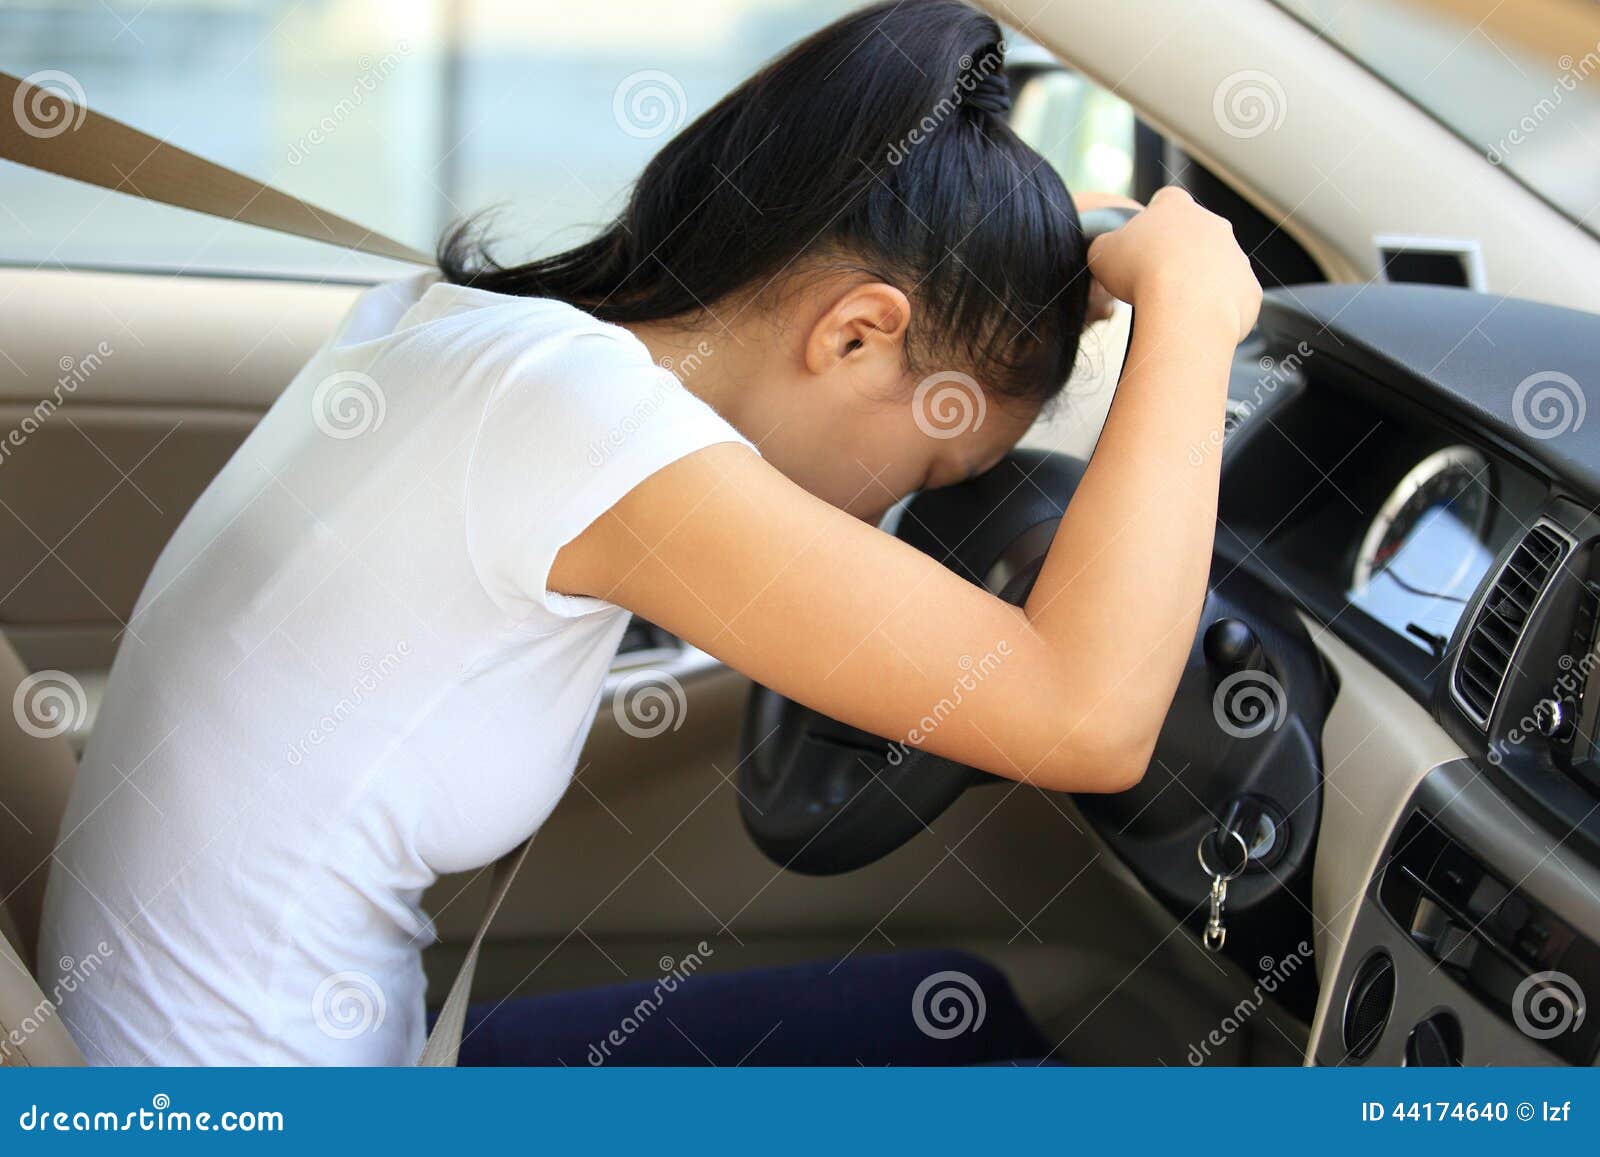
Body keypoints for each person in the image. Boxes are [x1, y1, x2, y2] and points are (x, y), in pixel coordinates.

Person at [41, 0, 1260, 1065]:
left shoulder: (469, 336)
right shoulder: (591, 434)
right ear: (854, 332)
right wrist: (1194, 316)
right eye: (936, 455)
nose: (893, 510)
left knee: (967, 1019)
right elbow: (1090, 716)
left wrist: (1038, 259)